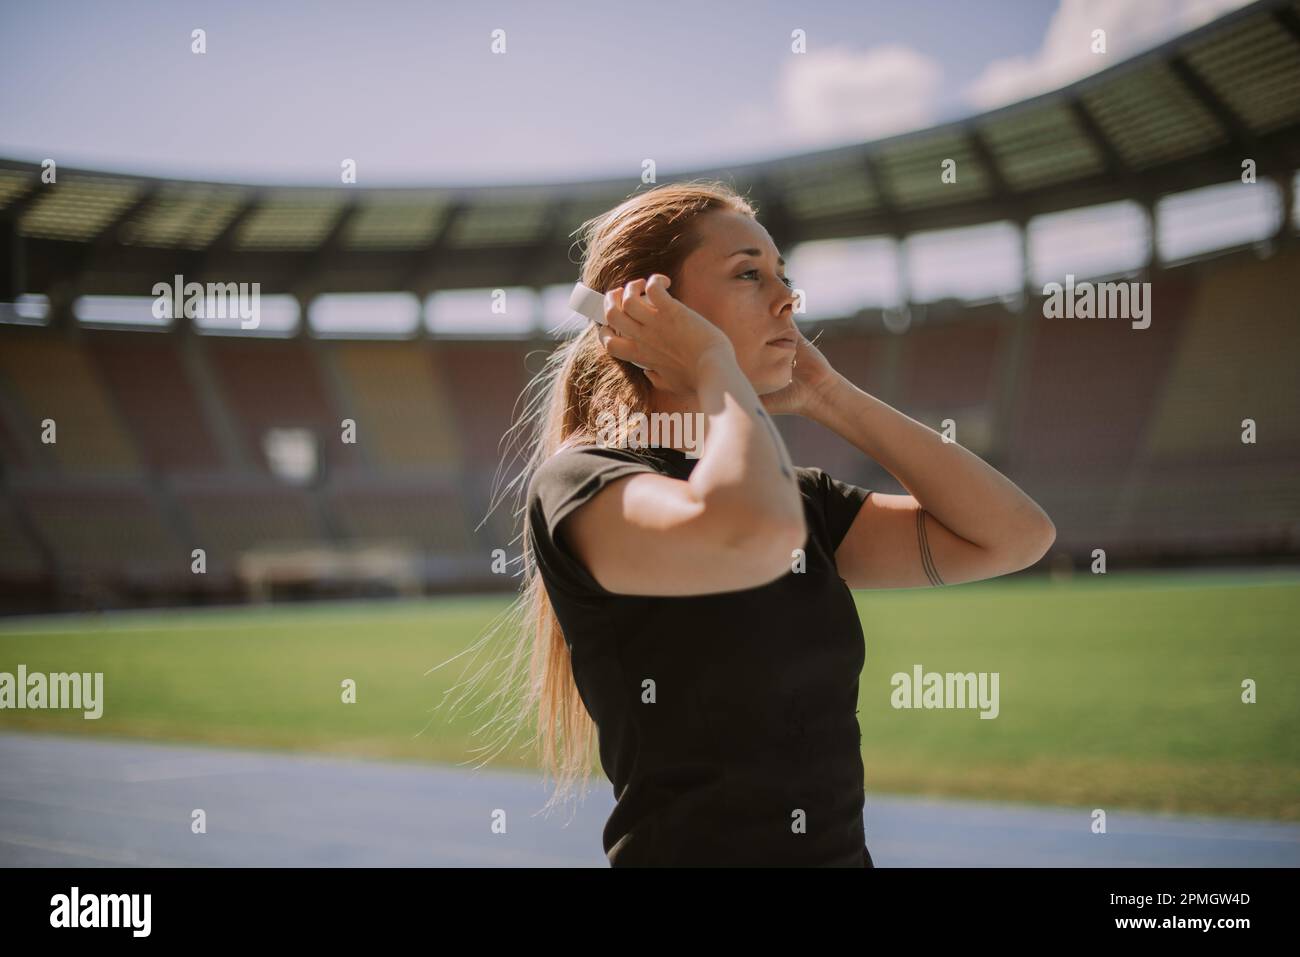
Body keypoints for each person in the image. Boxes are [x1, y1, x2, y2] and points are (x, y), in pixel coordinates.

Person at [490, 180, 1054, 867]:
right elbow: (750, 533)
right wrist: (708, 362)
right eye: (749, 273)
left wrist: (831, 397)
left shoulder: (803, 504)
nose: (788, 298)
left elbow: (1017, 536)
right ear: (652, 310)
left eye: (785, 276)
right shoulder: (582, 482)